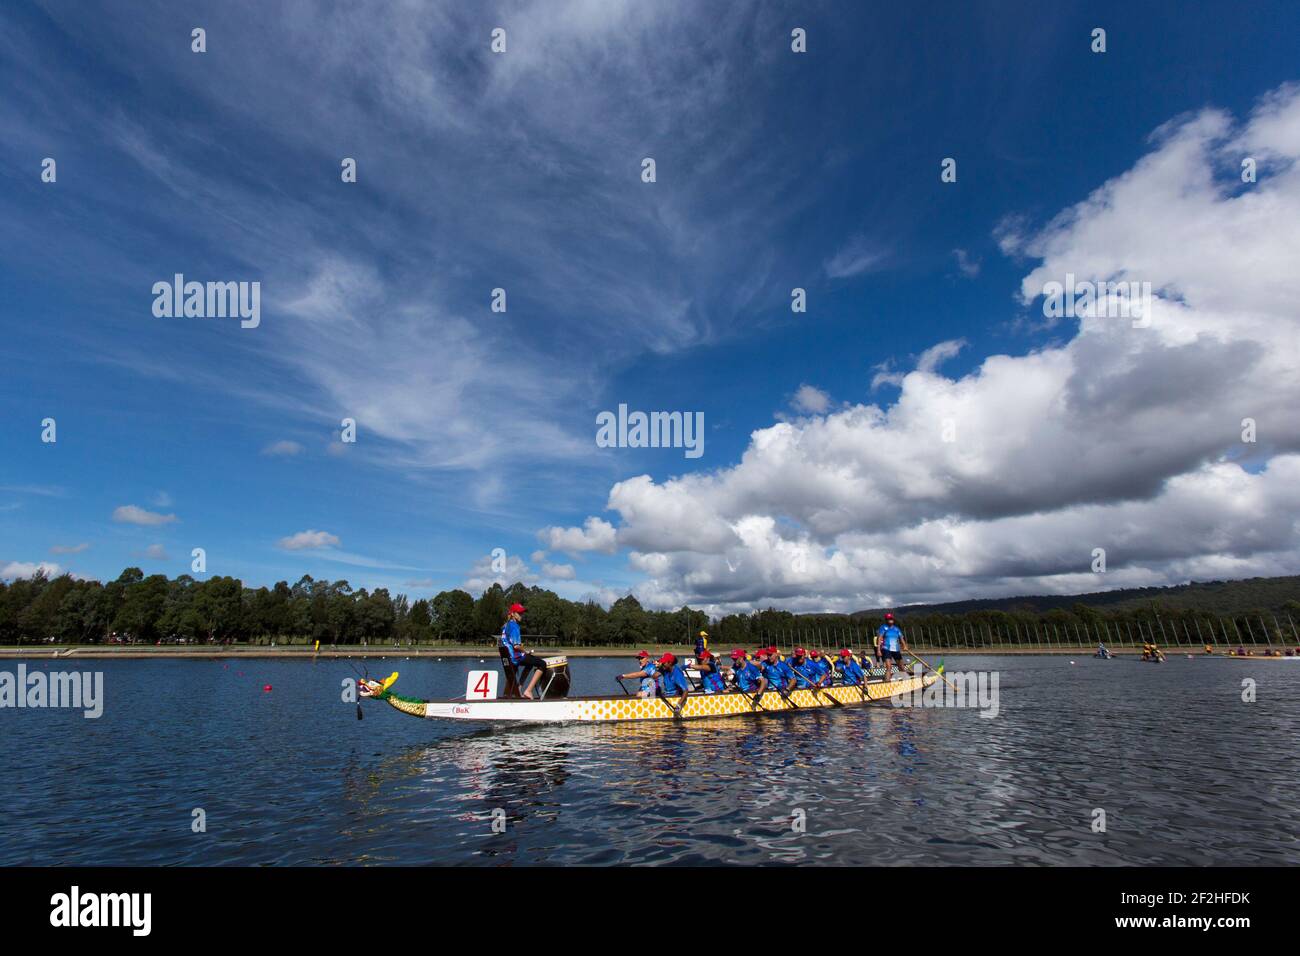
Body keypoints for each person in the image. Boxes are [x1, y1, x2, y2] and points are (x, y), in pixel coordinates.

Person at [499, 604, 551, 699]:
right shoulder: (515, 626)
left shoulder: (506, 626)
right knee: (542, 664)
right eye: (519, 613)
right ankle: (528, 690)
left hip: (509, 658)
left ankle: (519, 688)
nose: (521, 615)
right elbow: (516, 646)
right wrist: (525, 651)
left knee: (530, 663)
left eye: (522, 613)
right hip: (515, 658)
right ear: (513, 614)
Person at [877, 613, 909, 680]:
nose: (890, 620)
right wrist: (878, 650)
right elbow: (879, 638)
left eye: (891, 618)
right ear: (886, 620)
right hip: (886, 649)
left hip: (896, 649)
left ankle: (906, 681)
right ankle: (887, 683)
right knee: (889, 667)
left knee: (901, 667)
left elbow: (901, 638)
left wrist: (904, 645)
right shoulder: (883, 627)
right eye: (889, 619)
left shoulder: (896, 629)